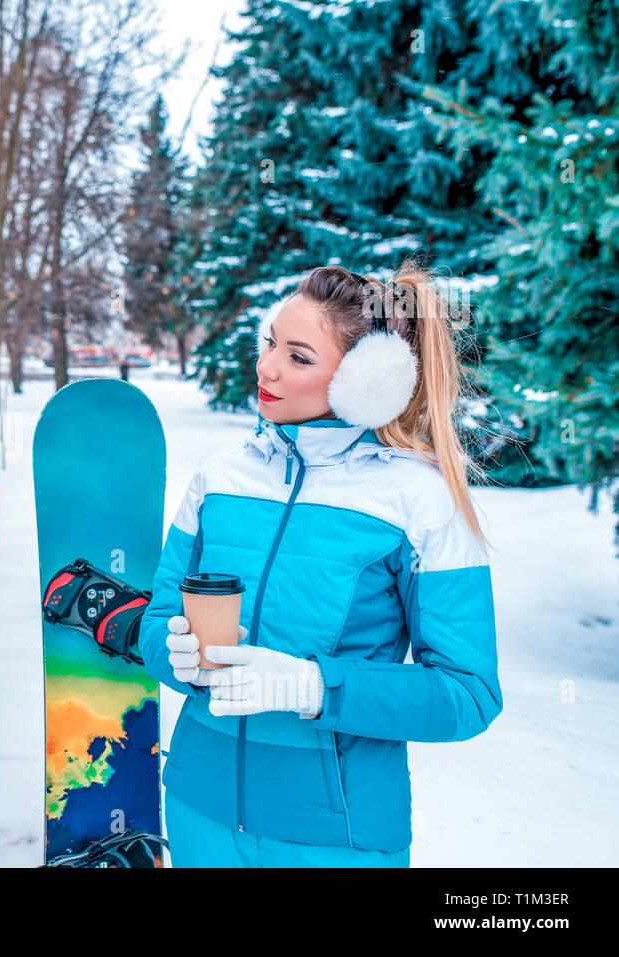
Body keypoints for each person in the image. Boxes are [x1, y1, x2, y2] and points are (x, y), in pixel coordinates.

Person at [138, 260, 502, 867]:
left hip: (336, 837)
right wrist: (170, 652)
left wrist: (312, 686)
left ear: (367, 382)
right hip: (197, 812)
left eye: (299, 357)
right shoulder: (220, 480)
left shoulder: (417, 501)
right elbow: (160, 620)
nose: (268, 367)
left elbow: (467, 694)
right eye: (270, 342)